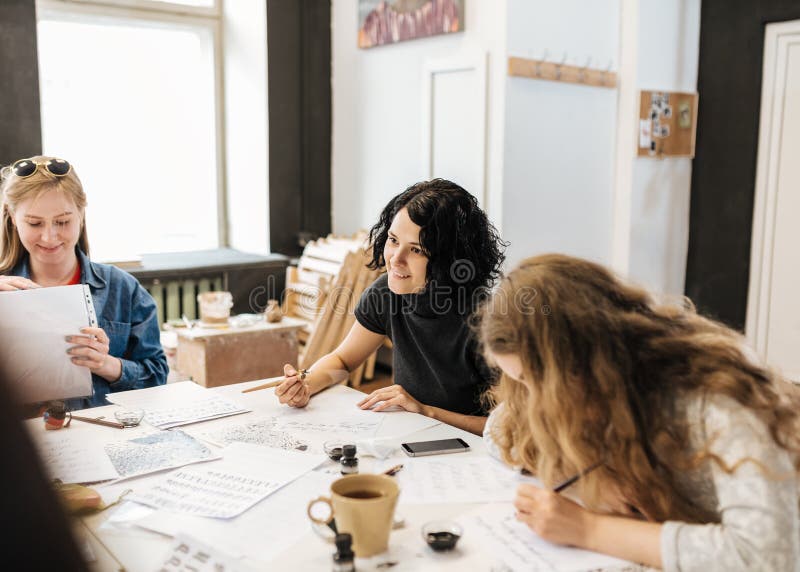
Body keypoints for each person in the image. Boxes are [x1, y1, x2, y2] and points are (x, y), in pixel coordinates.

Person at [478, 253, 800, 571]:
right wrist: (588, 473)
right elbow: (498, 431)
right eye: (521, 381)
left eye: (539, 382)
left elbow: (766, 556)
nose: (536, 403)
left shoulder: (716, 402)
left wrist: (586, 529)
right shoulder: (585, 392)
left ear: (585, 362)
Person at [276, 179, 506, 435]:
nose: (396, 259)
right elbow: (342, 360)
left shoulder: (488, 322)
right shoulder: (386, 293)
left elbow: (512, 429)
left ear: (451, 259)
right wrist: (306, 385)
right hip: (412, 438)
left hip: (475, 456)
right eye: (393, 240)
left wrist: (424, 411)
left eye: (417, 249)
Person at [0, 156, 167, 408]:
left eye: (63, 221)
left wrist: (107, 365)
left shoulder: (123, 289)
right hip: (20, 444)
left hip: (100, 437)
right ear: (13, 217)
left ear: (81, 213)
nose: (49, 236)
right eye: (34, 223)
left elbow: (157, 376)